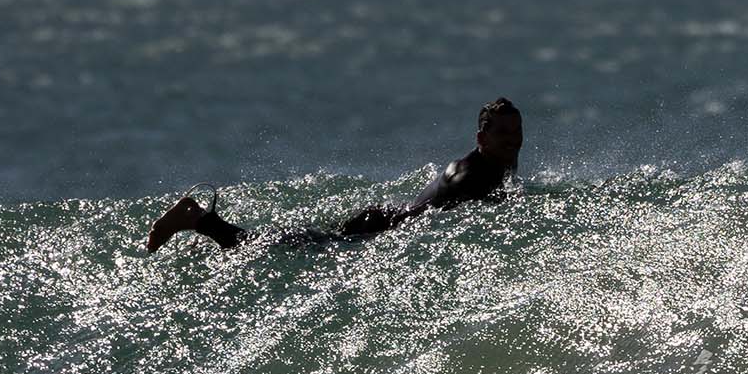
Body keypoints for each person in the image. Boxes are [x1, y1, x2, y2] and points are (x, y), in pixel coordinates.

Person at [144, 98, 523, 252]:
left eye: (515, 131)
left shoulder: (498, 162)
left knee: (304, 240)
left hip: (384, 216)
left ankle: (206, 229)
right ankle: (198, 219)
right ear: (480, 137)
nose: (512, 140)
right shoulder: (474, 173)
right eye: (502, 133)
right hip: (384, 225)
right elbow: (446, 204)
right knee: (288, 248)